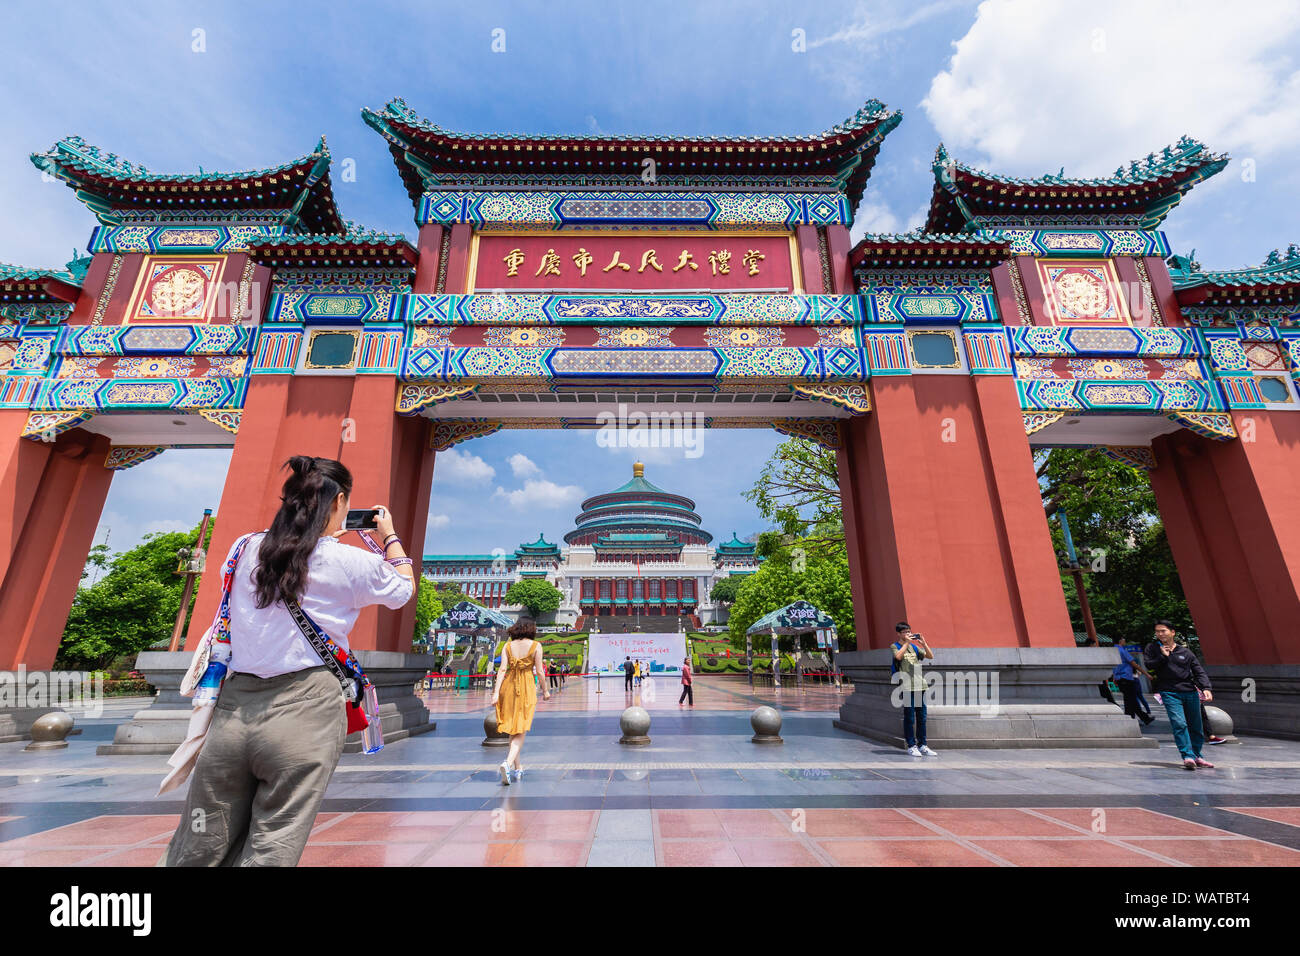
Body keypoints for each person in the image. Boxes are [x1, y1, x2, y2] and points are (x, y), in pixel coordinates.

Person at [164, 456, 415, 866]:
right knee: (274, 841)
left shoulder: (243, 547)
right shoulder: (351, 562)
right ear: (339, 504)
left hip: (233, 710)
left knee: (200, 839)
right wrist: (387, 537)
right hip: (305, 710)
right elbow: (403, 589)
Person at [1143, 620, 1214, 770]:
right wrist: (1163, 656)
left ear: (1172, 632)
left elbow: (1198, 670)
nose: (1160, 634)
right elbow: (1149, 665)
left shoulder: (1185, 652)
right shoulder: (1152, 648)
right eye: (1157, 631)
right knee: (1179, 723)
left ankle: (1197, 755)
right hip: (1169, 692)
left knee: (1196, 725)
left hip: (1190, 692)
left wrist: (1206, 687)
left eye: (1163, 631)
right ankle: (1187, 756)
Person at [491, 616, 550, 785]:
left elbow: (502, 669)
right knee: (521, 728)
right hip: (526, 686)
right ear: (531, 629)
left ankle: (518, 768)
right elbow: (539, 671)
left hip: (508, 686)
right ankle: (507, 764)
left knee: (513, 728)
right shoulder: (536, 646)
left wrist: (496, 693)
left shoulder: (508, 646)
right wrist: (545, 691)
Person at [891, 622, 937, 757]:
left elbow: (930, 656)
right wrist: (906, 643)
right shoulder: (896, 646)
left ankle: (923, 745)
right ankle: (911, 745)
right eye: (904, 632)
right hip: (907, 687)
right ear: (899, 634)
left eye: (909, 632)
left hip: (920, 685)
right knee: (909, 717)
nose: (907, 634)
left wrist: (923, 643)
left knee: (922, 717)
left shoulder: (915, 648)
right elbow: (898, 657)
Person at [1112, 636, 1154, 726]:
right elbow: (1134, 664)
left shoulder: (1112, 651)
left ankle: (1143, 718)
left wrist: (1114, 677)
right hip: (1126, 677)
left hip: (1119, 678)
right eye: (1124, 640)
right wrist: (1146, 674)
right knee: (1129, 700)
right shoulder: (1122, 651)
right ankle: (1129, 719)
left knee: (1130, 699)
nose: (1125, 642)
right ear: (1120, 641)